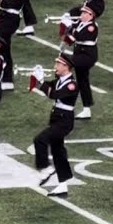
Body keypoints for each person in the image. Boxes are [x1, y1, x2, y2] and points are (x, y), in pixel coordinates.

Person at [34, 53, 80, 197]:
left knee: (40, 139)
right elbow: (49, 86)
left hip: (64, 121)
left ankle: (45, 168)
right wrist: (38, 78)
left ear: (66, 66)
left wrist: (41, 81)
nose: (55, 67)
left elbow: (55, 95)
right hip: (57, 119)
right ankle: (63, 184)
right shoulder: (60, 80)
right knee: (58, 151)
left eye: (58, 64)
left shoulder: (72, 85)